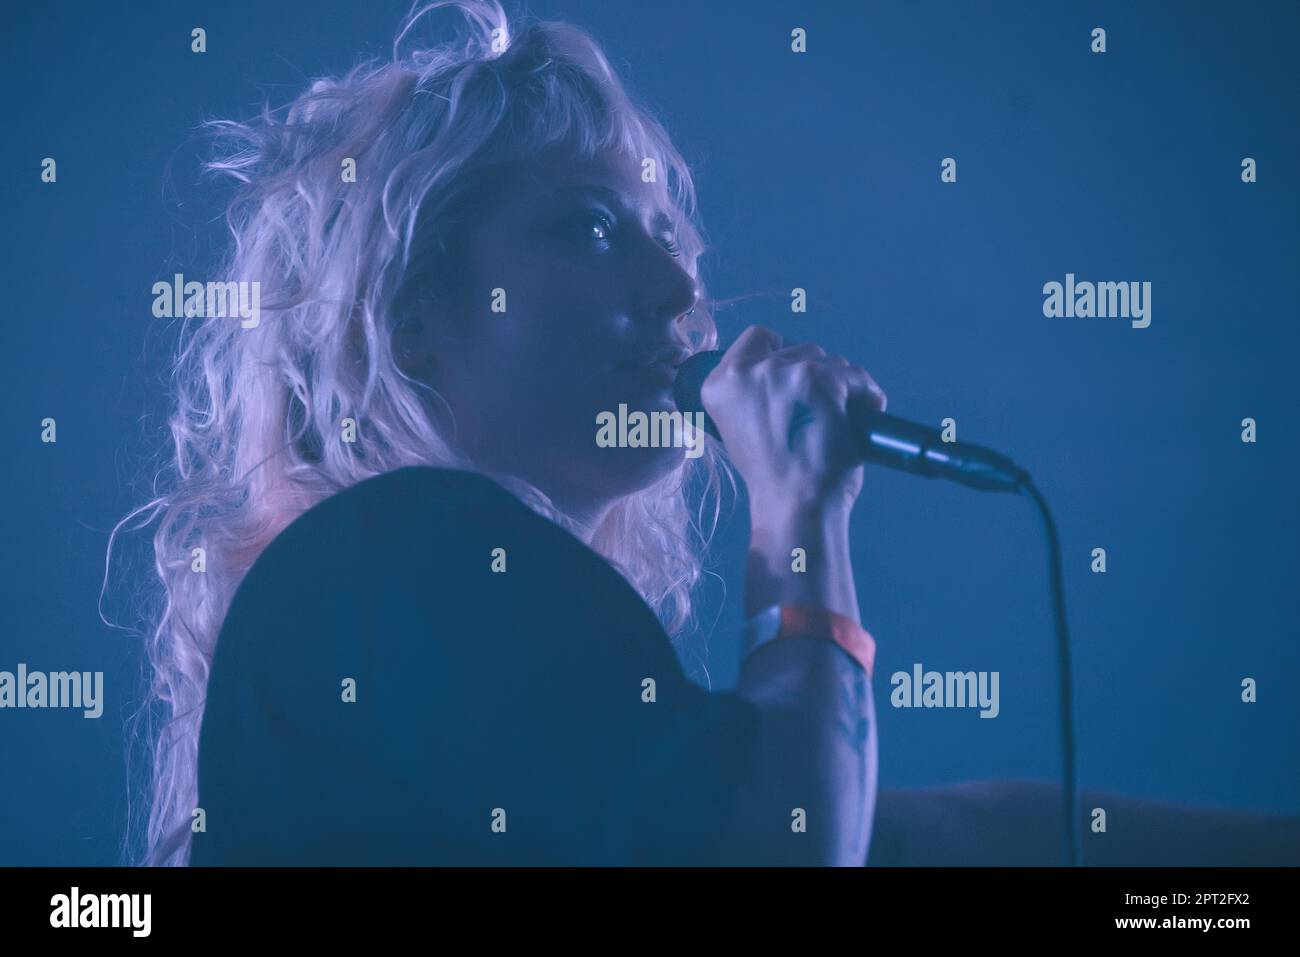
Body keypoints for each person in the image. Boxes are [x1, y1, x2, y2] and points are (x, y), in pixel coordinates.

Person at [112, 0, 1298, 867]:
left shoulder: (510, 675)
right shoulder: (393, 545)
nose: (680, 288)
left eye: (668, 234)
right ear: (413, 320)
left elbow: (946, 836)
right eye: (585, 230)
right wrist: (799, 513)